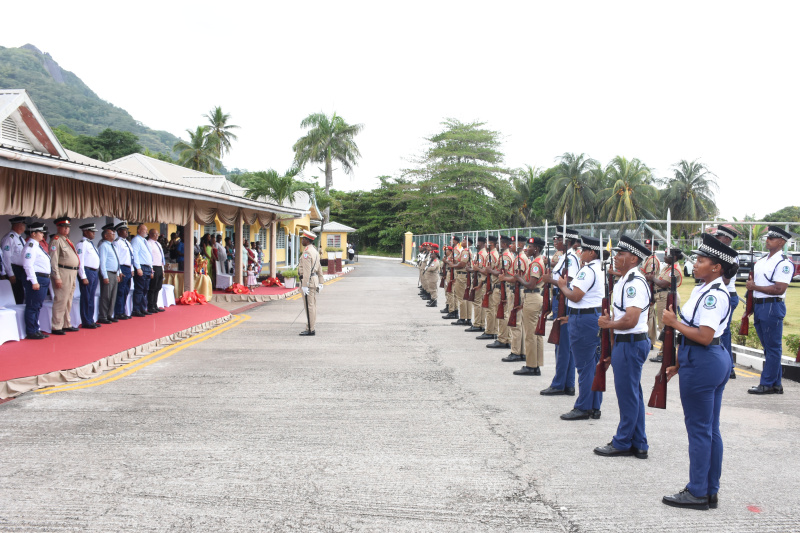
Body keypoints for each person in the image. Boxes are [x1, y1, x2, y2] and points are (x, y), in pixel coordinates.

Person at [660, 233, 738, 510]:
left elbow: (704, 335)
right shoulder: (703, 289)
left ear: (717, 267)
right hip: (703, 359)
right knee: (709, 429)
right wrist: (680, 362)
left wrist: (673, 322)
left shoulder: (714, 297)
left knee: (699, 429)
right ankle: (709, 490)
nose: (696, 264)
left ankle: (697, 492)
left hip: (705, 358)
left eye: (702, 260)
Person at [594, 236, 653, 459]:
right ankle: (639, 442)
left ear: (633, 258)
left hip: (631, 342)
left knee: (628, 395)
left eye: (621, 254)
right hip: (626, 343)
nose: (616, 257)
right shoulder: (626, 281)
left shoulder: (634, 284)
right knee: (632, 393)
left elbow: (631, 319)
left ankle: (623, 441)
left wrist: (609, 324)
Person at [556, 234, 605, 420]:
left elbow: (576, 296)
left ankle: (583, 406)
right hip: (591, 316)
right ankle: (594, 405)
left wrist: (562, 286)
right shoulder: (599, 268)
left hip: (584, 320)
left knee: (585, 365)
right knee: (592, 364)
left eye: (583, 250)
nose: (580, 253)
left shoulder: (588, 270)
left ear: (592, 253)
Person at [746, 225, 794, 395]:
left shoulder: (783, 264)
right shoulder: (762, 261)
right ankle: (776, 383)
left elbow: (779, 289)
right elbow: (753, 286)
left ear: (781, 242)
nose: (767, 240)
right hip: (760, 305)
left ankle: (766, 384)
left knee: (773, 347)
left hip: (772, 305)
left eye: (771, 238)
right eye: (767, 238)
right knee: (769, 347)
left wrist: (754, 286)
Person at [540, 226, 580, 396]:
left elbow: (568, 282)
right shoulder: (564, 257)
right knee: (564, 345)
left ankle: (559, 383)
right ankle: (568, 383)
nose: (555, 241)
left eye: (559, 239)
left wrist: (551, 280)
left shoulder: (571, 259)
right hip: (559, 299)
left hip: (565, 301)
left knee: (562, 345)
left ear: (567, 241)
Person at [513, 236, 546, 376]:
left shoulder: (536, 264)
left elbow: (531, 284)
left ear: (537, 248)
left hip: (532, 296)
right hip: (533, 297)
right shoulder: (537, 261)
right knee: (535, 333)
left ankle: (531, 365)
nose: (528, 249)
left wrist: (519, 279)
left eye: (531, 247)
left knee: (530, 334)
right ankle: (536, 364)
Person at [713, 225, 741, 379]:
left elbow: (726, 278)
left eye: (719, 237)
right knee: (721, 332)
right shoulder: (723, 254)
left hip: (728, 295)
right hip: (725, 294)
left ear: (727, 240)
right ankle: (727, 366)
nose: (717, 239)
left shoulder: (729, 256)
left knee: (723, 333)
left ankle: (729, 367)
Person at [648, 248, 684, 363]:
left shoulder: (674, 269)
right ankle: (664, 352)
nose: (664, 257)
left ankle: (664, 353)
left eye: (666, 255)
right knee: (662, 326)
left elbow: (664, 283)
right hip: (661, 296)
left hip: (666, 297)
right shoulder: (667, 267)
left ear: (674, 257)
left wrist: (652, 278)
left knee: (664, 326)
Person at [499, 236, 530, 362]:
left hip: (517, 291)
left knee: (516, 322)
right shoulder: (518, 258)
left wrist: (504, 278)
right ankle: (520, 351)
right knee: (518, 322)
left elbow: (518, 277)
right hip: (515, 291)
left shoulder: (521, 259)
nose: (511, 245)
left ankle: (516, 351)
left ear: (521, 244)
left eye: (514, 243)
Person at [48, 217, 80, 335]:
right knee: (61, 300)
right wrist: (56, 277)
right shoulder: (56, 240)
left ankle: (66, 323)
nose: (67, 229)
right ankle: (56, 326)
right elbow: (53, 261)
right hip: (63, 272)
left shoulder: (66, 240)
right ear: (58, 227)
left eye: (68, 227)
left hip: (72, 272)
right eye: (64, 227)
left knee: (68, 300)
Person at [21, 222, 51, 340]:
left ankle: (36, 328)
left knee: (37, 306)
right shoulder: (31, 247)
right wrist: (34, 281)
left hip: (42, 278)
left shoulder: (37, 246)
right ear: (33, 234)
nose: (42, 234)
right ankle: (31, 330)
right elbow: (28, 265)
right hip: (37, 278)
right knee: (32, 305)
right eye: (40, 232)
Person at [486, 235, 514, 349]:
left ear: (504, 244)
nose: (497, 245)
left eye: (499, 243)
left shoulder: (506, 257)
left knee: (502, 313)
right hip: (499, 286)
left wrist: (490, 270)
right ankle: (504, 337)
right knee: (502, 312)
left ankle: (503, 339)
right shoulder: (504, 255)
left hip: (502, 287)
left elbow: (503, 273)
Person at [298, 230, 323, 336]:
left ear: (307, 240)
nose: (302, 240)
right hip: (314, 281)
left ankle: (310, 329)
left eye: (303, 239)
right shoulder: (315, 250)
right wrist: (321, 281)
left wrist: (304, 285)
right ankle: (310, 327)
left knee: (309, 306)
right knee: (312, 306)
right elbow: (319, 267)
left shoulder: (307, 252)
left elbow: (307, 271)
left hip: (309, 282)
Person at [76, 223, 101, 329]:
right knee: (86, 297)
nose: (94, 233)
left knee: (91, 297)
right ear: (85, 232)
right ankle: (86, 321)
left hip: (94, 272)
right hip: (87, 272)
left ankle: (90, 319)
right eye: (92, 231)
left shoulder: (90, 244)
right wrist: (83, 276)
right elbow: (80, 261)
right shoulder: (82, 244)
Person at [477, 235, 500, 340]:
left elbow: (488, 271)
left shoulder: (492, 255)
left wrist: (477, 269)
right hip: (489, 283)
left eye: (487, 243)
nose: (485, 245)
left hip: (490, 283)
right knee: (491, 309)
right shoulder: (493, 254)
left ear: (491, 244)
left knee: (489, 309)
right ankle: (491, 330)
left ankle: (490, 331)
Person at [97, 223, 121, 324]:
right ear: (106, 235)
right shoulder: (103, 246)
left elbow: (117, 260)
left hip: (114, 273)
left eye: (114, 233)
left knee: (113, 295)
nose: (114, 235)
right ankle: (103, 316)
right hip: (108, 273)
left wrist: (119, 273)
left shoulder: (113, 246)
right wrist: (105, 276)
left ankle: (109, 314)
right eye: (112, 233)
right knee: (106, 296)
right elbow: (102, 262)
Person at [640, 239, 661, 351]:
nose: (647, 247)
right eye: (646, 245)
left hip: (649, 289)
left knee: (649, 316)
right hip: (647, 289)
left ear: (655, 247)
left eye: (649, 245)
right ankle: (651, 340)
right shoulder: (648, 258)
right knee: (650, 316)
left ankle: (650, 340)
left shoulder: (652, 260)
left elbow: (649, 276)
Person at [2, 216, 29, 304]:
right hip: (14, 269)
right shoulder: (9, 238)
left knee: (21, 294)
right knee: (16, 294)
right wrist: (10, 274)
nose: (24, 227)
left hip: (21, 270)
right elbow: (6, 257)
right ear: (18, 225)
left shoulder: (20, 238)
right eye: (23, 225)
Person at [131, 223, 154, 317]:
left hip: (147, 267)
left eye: (146, 230)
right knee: (139, 289)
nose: (146, 232)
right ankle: (136, 309)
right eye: (144, 230)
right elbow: (135, 255)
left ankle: (143, 308)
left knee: (145, 289)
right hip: (141, 267)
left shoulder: (144, 241)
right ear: (139, 230)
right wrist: (138, 268)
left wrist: (151, 268)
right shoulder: (136, 240)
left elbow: (148, 255)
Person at [466, 236, 488, 333]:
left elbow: (482, 270)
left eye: (478, 242)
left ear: (482, 243)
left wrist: (480, 283)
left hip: (479, 280)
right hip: (478, 278)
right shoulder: (480, 253)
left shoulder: (482, 254)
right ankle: (480, 323)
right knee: (479, 303)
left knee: (477, 302)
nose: (476, 244)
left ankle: (478, 324)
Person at [113, 222, 134, 320]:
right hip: (122, 268)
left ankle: (123, 311)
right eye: (125, 231)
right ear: (119, 231)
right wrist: (119, 271)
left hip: (128, 268)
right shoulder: (117, 242)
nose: (127, 232)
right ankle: (118, 312)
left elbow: (131, 257)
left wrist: (132, 269)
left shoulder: (128, 243)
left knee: (126, 290)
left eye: (127, 231)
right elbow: (117, 258)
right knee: (120, 291)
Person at [451, 236, 473, 326]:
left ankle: (463, 318)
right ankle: (467, 318)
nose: (462, 242)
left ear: (468, 243)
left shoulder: (465, 251)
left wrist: (453, 265)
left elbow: (462, 264)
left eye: (464, 240)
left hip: (462, 276)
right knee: (466, 298)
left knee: (462, 298)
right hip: (464, 275)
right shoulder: (467, 251)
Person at [147, 228, 166, 313]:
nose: (157, 235)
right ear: (150, 234)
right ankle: (151, 306)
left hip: (159, 266)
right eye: (155, 234)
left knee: (158, 287)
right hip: (153, 266)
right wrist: (151, 269)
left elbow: (161, 257)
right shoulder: (148, 243)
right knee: (152, 287)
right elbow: (149, 257)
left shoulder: (158, 243)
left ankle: (155, 304)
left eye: (157, 234)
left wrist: (162, 269)